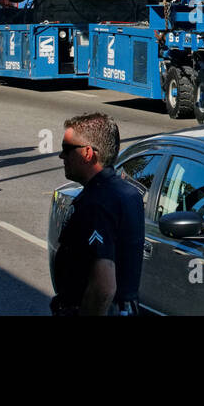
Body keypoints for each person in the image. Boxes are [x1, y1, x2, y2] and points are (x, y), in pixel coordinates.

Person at [51, 112, 144, 316]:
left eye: (67, 149)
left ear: (87, 153)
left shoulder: (97, 202)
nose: (61, 156)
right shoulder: (127, 193)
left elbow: (104, 287)